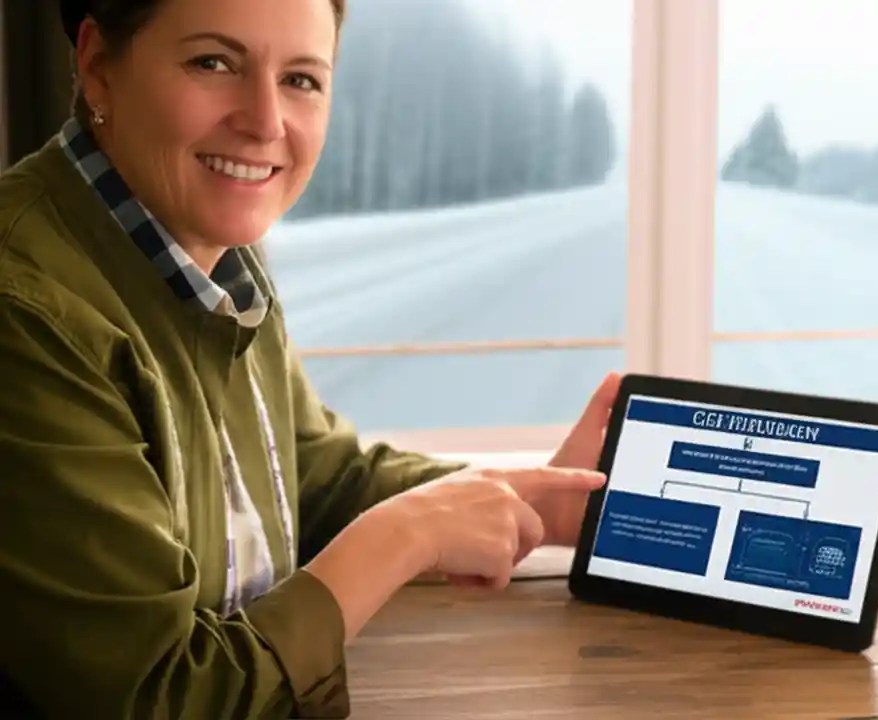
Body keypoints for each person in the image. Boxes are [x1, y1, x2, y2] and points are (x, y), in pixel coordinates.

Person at [0, 0, 622, 716]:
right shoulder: (26, 312)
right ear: (99, 66)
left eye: (301, 79)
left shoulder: (212, 254)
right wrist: (408, 533)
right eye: (214, 63)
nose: (265, 122)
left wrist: (533, 502)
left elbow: (316, 478)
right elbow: (164, 696)